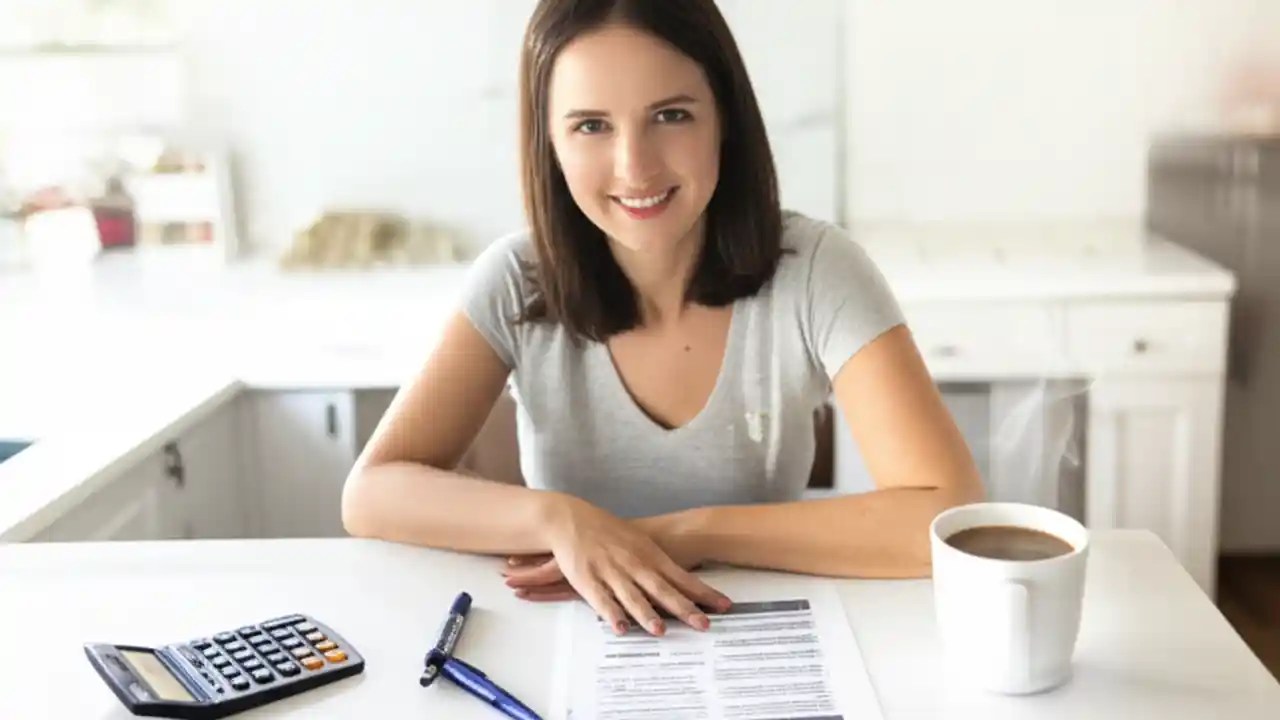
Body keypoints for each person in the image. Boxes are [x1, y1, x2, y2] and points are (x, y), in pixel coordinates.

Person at [341, 0, 984, 638]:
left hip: (748, 632)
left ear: (724, 118)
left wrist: (687, 532)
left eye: (671, 115)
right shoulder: (515, 279)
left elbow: (947, 516)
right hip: (574, 639)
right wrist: (561, 521)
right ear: (550, 142)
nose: (635, 167)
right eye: (591, 126)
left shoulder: (817, 269)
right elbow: (370, 493)